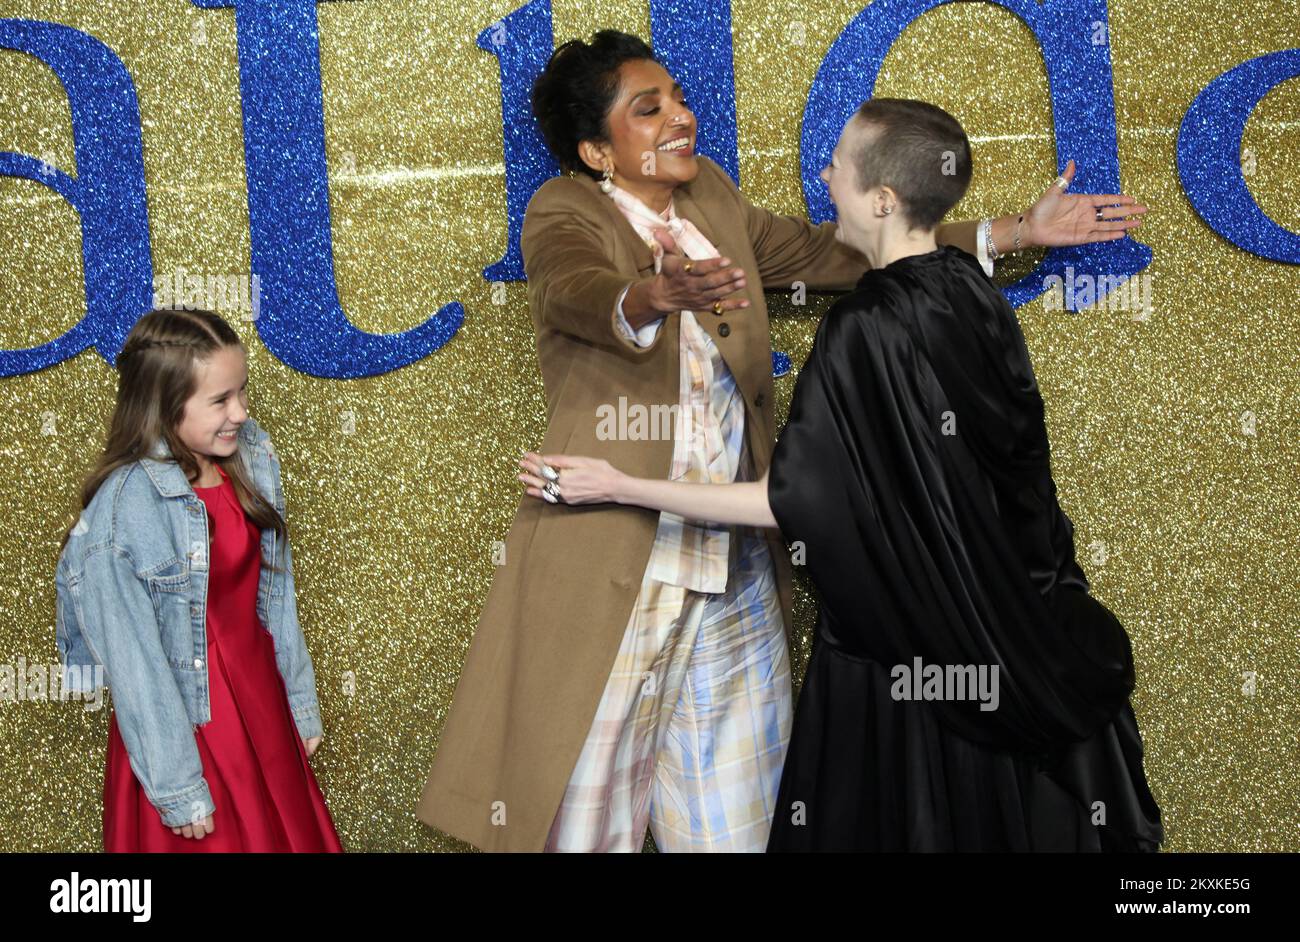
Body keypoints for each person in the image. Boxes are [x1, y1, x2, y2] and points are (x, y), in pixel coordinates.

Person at [417, 28, 1148, 853]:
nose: (679, 118)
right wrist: (655, 295)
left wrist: (1012, 232)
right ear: (596, 148)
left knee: (740, 826)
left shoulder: (713, 202)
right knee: (587, 826)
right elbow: (577, 292)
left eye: (680, 98)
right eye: (647, 108)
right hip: (618, 564)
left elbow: (836, 250)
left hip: (733, 566)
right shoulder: (565, 210)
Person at [55, 308, 343, 852]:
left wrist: (298, 700)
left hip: (263, 703)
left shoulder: (249, 454)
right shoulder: (121, 511)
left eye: (242, 392)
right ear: (164, 406)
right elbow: (134, 666)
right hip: (186, 725)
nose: (241, 412)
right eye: (220, 401)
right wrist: (178, 786)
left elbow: (276, 596)